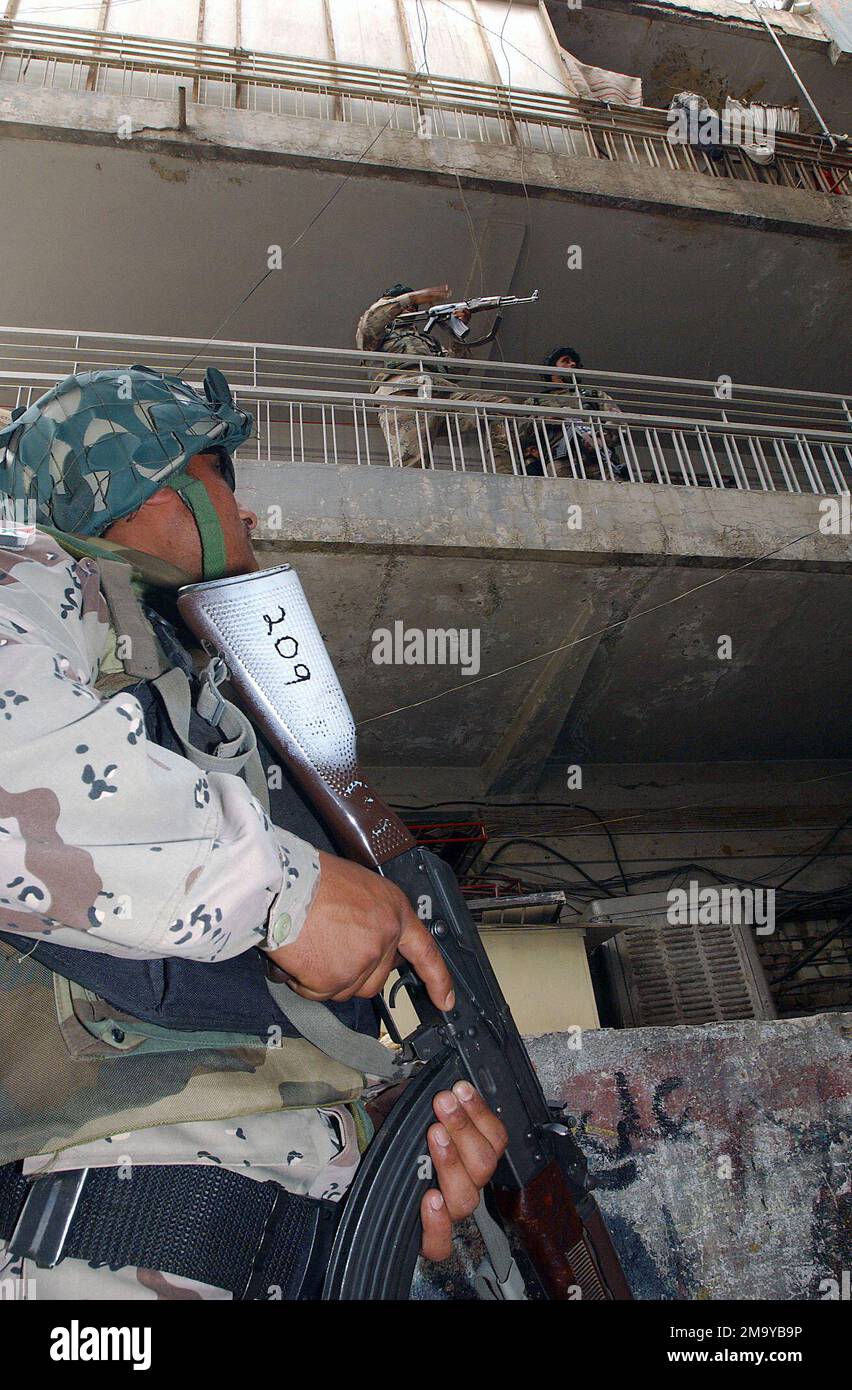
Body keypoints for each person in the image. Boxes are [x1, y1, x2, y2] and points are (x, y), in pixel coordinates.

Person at [0, 364, 507, 1299]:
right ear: (159, 487)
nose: (252, 517)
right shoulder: (37, 577)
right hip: (105, 1241)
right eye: (229, 483)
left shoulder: (217, 696)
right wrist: (282, 889)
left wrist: (402, 1126)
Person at [356, 283, 517, 473]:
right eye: (405, 305)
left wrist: (455, 329)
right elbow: (371, 321)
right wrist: (412, 297)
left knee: (498, 406)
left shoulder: (427, 341)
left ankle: (505, 474)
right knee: (412, 466)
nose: (411, 309)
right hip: (404, 394)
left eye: (413, 307)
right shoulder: (377, 334)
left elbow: (457, 369)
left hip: (442, 394)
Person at [522, 346, 627, 480]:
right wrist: (546, 418)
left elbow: (618, 422)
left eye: (574, 362)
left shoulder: (594, 395)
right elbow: (521, 433)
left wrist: (599, 439)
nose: (573, 364)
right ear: (552, 369)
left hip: (599, 459)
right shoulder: (535, 401)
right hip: (560, 462)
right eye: (565, 361)